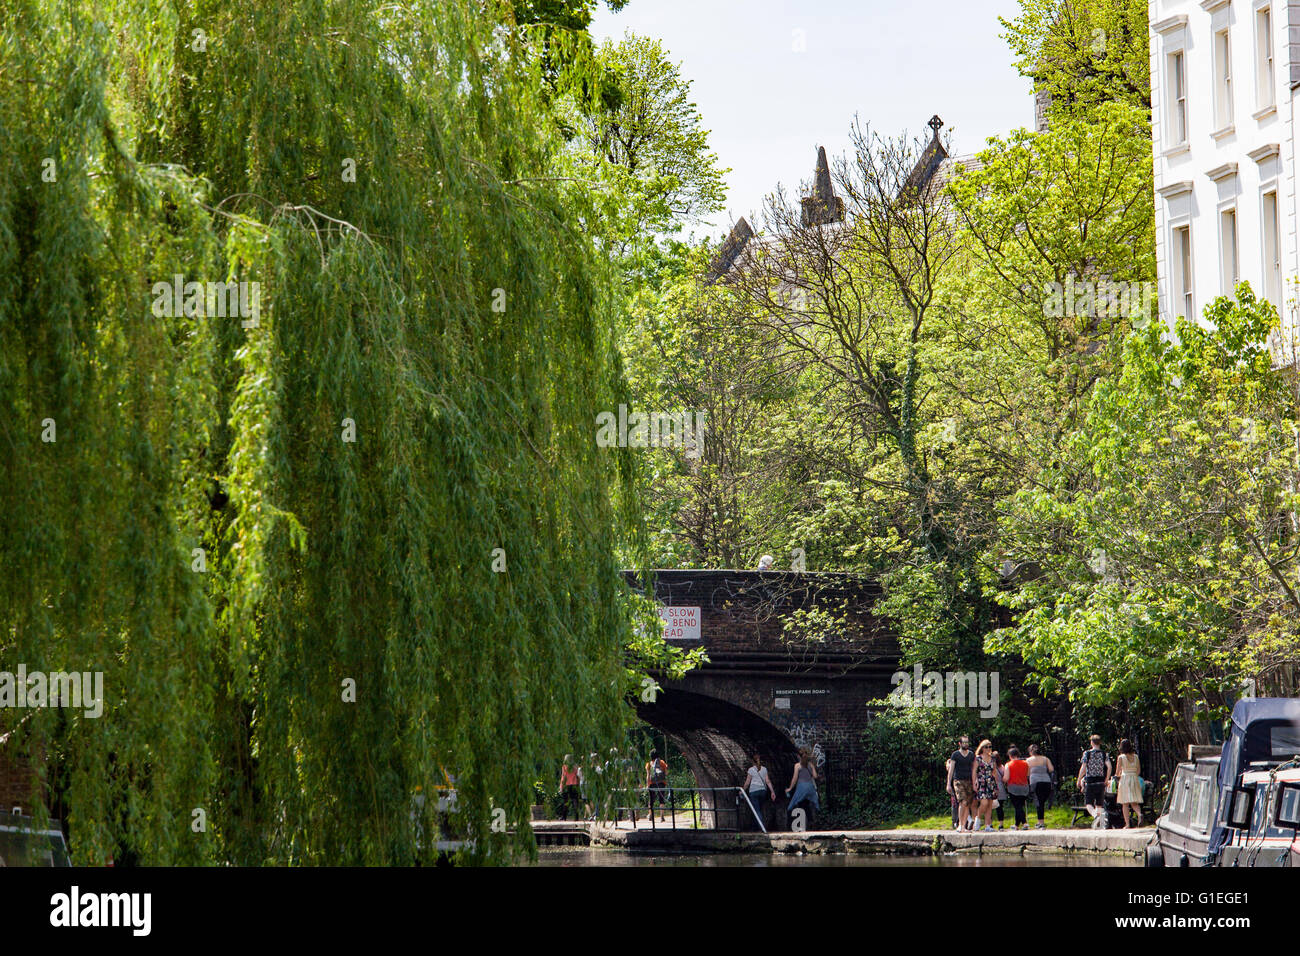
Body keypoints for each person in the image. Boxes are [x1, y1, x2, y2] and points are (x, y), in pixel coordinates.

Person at [1077, 734, 1113, 829]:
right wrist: (1106, 778)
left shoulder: (1087, 753)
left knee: (1088, 804)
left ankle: (1095, 815)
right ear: (1100, 743)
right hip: (1101, 781)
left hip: (1090, 781)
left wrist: (1079, 779)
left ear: (1091, 742)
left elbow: (1083, 768)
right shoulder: (1104, 754)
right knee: (1099, 805)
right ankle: (1101, 826)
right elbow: (1109, 767)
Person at [946, 735, 977, 831]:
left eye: (967, 742)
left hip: (968, 780)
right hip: (958, 780)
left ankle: (964, 825)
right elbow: (951, 770)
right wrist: (948, 783)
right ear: (960, 744)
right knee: (962, 801)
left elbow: (974, 769)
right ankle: (960, 824)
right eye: (964, 742)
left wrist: (975, 781)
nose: (966, 744)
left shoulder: (971, 755)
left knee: (967, 803)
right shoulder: (955, 755)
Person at [785, 748, 820, 829]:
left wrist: (790, 788)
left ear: (799, 756)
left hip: (801, 787)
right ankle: (811, 821)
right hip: (810, 787)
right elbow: (815, 776)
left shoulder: (797, 766)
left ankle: (790, 825)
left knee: (792, 804)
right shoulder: (810, 765)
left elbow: (795, 778)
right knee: (806, 804)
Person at [741, 753, 776, 831]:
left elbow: (747, 782)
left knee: (756, 810)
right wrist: (772, 792)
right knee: (758, 809)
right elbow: (768, 781)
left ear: (752, 761)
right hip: (763, 791)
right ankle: (754, 828)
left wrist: (742, 790)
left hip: (753, 791)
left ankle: (762, 828)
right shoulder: (764, 769)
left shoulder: (751, 770)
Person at [1115, 739, 1144, 828]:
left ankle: (1127, 824)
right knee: (1134, 801)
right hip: (1134, 778)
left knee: (1125, 803)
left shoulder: (1121, 757)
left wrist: (1117, 776)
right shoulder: (1136, 757)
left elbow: (1117, 771)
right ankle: (1139, 814)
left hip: (1125, 779)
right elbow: (1138, 771)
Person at [1026, 744, 1055, 829]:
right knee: (1042, 801)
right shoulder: (1045, 759)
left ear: (1031, 752)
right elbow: (1051, 769)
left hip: (1035, 781)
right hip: (1046, 781)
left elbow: (1027, 773)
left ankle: (1041, 822)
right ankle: (1040, 822)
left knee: (1038, 802)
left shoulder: (1028, 760)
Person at [1002, 746, 1031, 830]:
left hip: (1013, 787)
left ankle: (1025, 823)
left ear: (1010, 756)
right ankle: (1016, 825)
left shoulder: (1008, 764)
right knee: (1019, 806)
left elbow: (1006, 778)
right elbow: (1028, 774)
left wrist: (1002, 779)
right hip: (1024, 787)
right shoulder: (1026, 763)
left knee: (1017, 806)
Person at [973, 740, 999, 831]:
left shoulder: (992, 758)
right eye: (986, 747)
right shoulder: (978, 758)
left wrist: (996, 785)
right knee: (984, 802)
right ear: (982, 748)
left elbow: (994, 771)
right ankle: (978, 819)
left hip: (991, 782)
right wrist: (974, 783)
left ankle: (988, 825)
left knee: (990, 805)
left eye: (990, 747)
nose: (988, 749)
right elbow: (974, 771)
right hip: (982, 782)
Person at [645, 750, 671, 823]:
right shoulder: (662, 762)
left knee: (651, 800)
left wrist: (647, 785)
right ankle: (662, 816)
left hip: (652, 783)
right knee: (661, 799)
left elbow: (648, 775)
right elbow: (666, 773)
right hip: (661, 783)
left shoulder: (649, 764)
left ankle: (651, 815)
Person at [558, 755, 582, 821]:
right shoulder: (575, 767)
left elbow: (563, 777)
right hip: (575, 784)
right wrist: (578, 785)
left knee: (566, 801)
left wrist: (561, 787)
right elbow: (578, 776)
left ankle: (564, 817)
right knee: (575, 801)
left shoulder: (564, 767)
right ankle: (576, 817)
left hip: (567, 785)